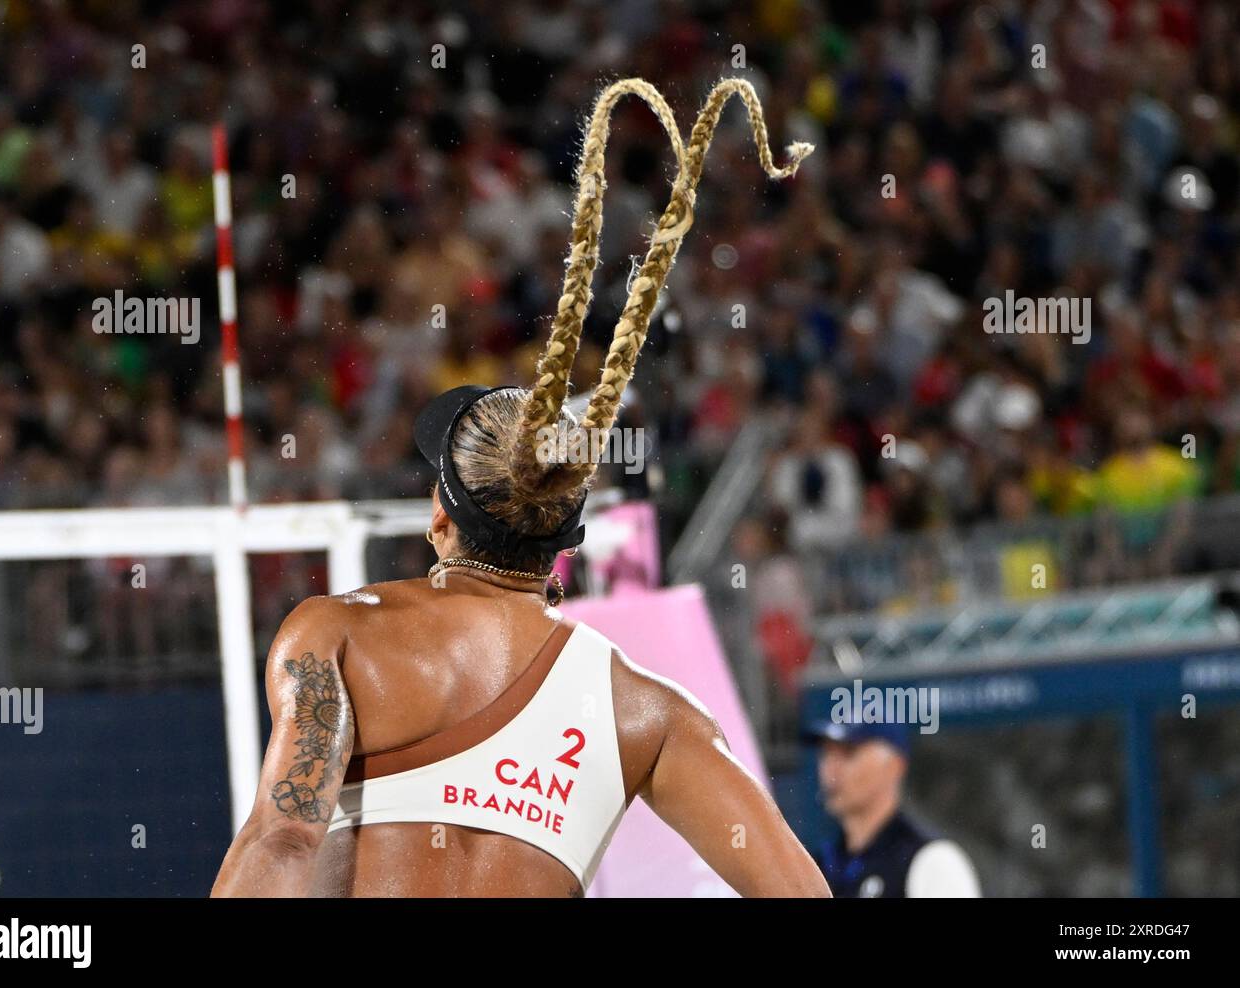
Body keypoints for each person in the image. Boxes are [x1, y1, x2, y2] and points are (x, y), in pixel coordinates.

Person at [211, 78, 830, 898]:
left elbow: (283, 841)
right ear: (565, 546)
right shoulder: (645, 711)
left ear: (440, 519)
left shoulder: (334, 636)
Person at [805, 720, 981, 897]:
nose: (831, 769)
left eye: (849, 753)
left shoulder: (931, 860)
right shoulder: (821, 864)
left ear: (894, 766)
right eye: (826, 754)